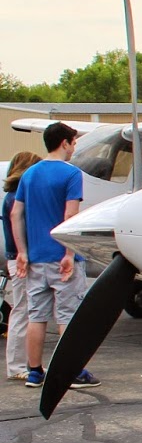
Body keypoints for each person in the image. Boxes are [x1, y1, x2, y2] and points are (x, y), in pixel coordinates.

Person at [10, 123, 98, 389]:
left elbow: (16, 214)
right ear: (64, 143)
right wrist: (70, 252)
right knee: (68, 316)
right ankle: (73, 371)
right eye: (73, 142)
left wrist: (23, 252)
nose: (74, 148)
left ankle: (34, 371)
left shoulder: (29, 174)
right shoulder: (72, 174)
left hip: (35, 258)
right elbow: (70, 215)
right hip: (62, 259)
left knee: (36, 316)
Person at [3, 152, 43, 380]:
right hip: (21, 259)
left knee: (25, 309)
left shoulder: (11, 195)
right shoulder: (18, 197)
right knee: (24, 310)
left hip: (16, 257)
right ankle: (18, 365)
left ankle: (22, 363)